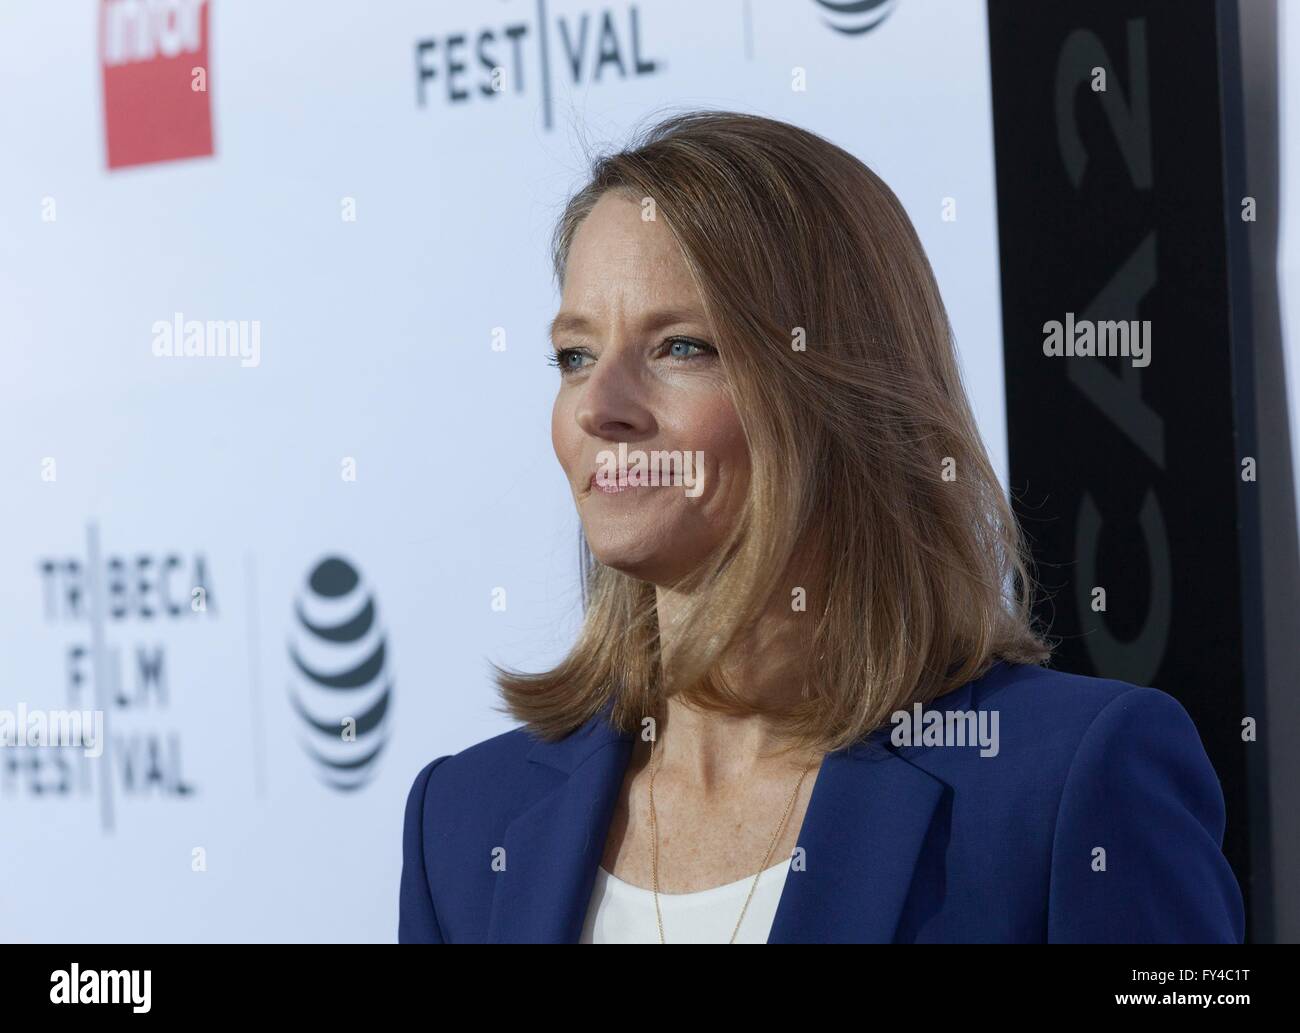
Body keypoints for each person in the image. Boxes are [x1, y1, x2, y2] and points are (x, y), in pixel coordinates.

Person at [399, 109, 1245, 944]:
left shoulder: (1068, 782)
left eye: (681, 347)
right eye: (575, 355)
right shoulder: (466, 826)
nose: (599, 406)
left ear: (843, 390)